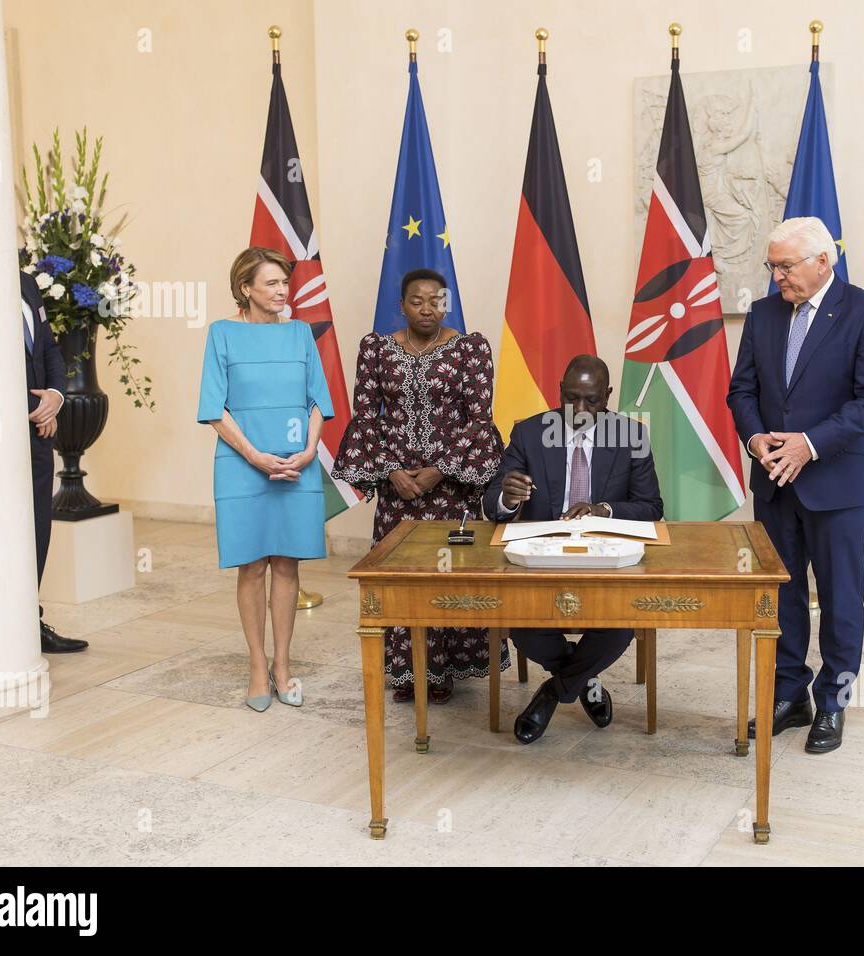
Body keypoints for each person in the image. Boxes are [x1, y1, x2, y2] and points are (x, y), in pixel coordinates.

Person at [727, 217, 864, 754]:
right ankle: (789, 693)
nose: (777, 276)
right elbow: (742, 390)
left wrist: (809, 444)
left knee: (842, 598)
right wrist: (757, 440)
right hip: (774, 482)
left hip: (836, 484)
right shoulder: (762, 315)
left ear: (823, 261)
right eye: (772, 266)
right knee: (781, 593)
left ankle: (833, 702)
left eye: (786, 266)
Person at [332, 269, 506, 704]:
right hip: (398, 492)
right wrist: (392, 470)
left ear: (445, 303)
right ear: (402, 304)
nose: (426, 308)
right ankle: (410, 668)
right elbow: (367, 415)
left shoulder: (469, 349)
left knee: (447, 575)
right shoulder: (377, 350)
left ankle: (444, 667)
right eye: (417, 301)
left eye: (435, 300)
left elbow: (478, 419)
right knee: (402, 575)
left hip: (451, 488)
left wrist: (438, 469)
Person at [484, 355, 664, 745]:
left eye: (591, 401)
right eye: (571, 399)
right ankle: (585, 682)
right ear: (559, 391)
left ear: (608, 397)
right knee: (522, 625)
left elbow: (652, 509)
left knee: (619, 626)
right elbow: (491, 503)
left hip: (606, 561)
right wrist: (508, 499)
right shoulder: (530, 434)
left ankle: (553, 691)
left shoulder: (630, 436)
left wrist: (604, 510)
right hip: (541, 561)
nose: (580, 410)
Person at [197, 247, 334, 712]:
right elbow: (214, 408)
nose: (282, 291)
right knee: (252, 565)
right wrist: (255, 455)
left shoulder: (300, 335)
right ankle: (257, 664)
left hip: (298, 463)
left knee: (288, 564)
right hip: (242, 464)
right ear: (245, 288)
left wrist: (311, 448)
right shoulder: (222, 334)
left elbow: (319, 401)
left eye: (284, 283)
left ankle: (283, 665)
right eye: (272, 283)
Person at [21, 269, 86, 653]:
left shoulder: (26, 281)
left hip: (38, 432)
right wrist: (35, 407)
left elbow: (48, 349)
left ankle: (30, 619)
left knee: (38, 526)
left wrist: (55, 399)